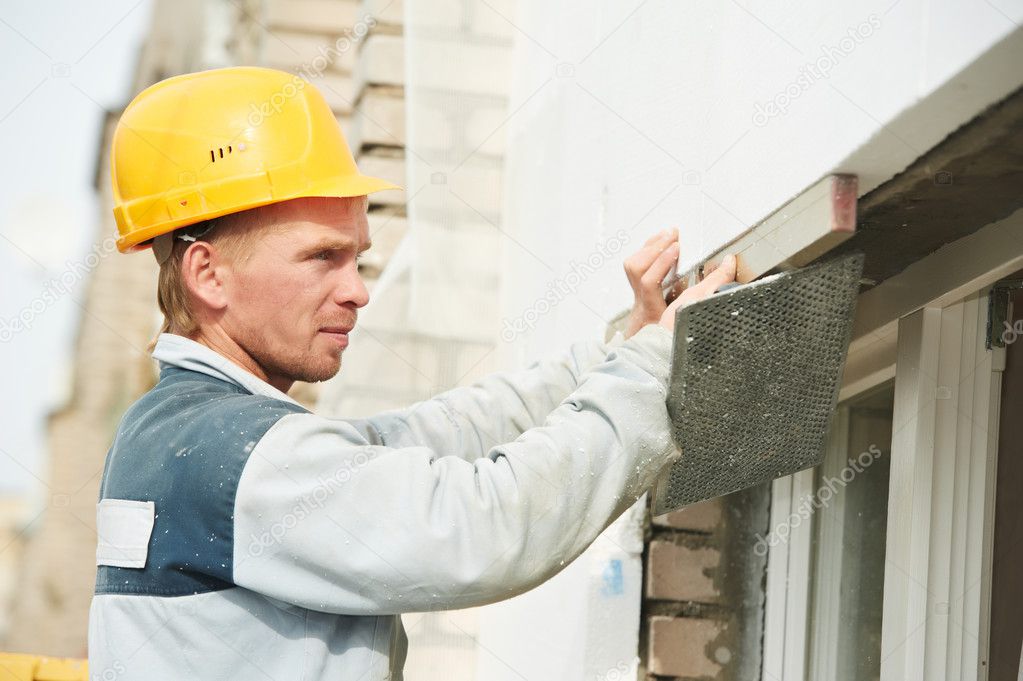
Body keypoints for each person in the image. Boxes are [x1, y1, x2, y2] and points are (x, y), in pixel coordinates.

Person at [88, 66, 737, 680]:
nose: (356, 291)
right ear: (208, 273)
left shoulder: (175, 432)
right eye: (321, 256)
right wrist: (652, 365)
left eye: (357, 259)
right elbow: (486, 526)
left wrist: (617, 356)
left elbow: (430, 435)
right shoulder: (238, 457)